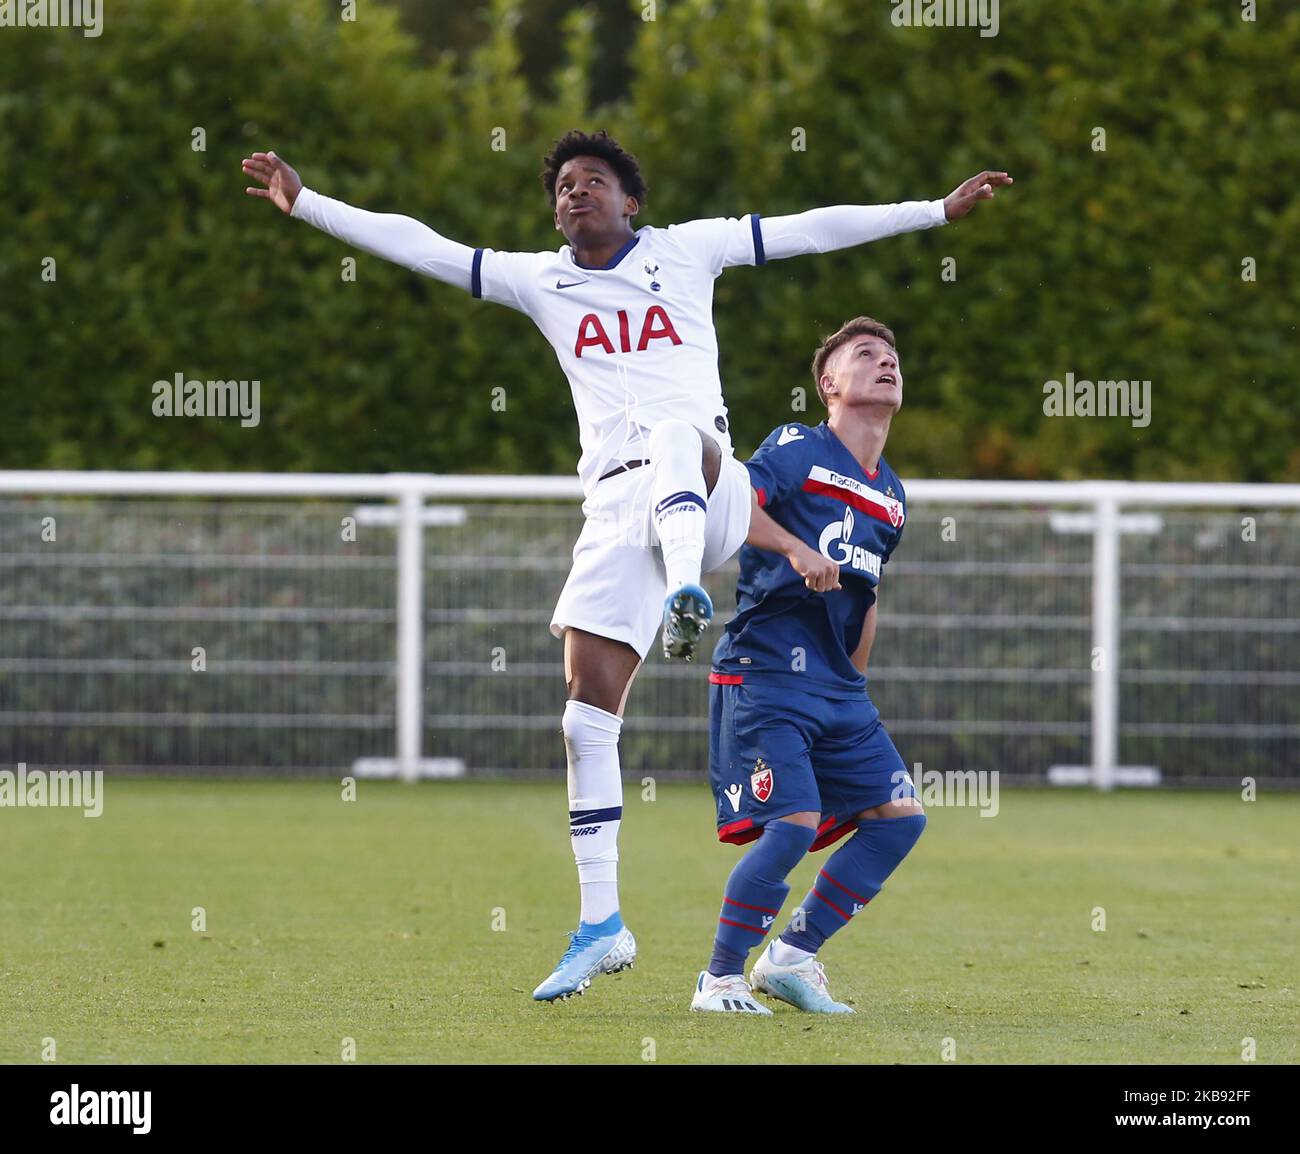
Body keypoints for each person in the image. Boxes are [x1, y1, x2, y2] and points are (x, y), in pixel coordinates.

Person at [242, 133, 1009, 1001]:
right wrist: (308, 203)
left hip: (714, 492)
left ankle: (687, 591)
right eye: (564, 186)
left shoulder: (688, 251)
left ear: (630, 202)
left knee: (677, 432)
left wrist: (932, 211)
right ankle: (603, 921)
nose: (575, 195)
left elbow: (811, 228)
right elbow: (426, 246)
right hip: (616, 511)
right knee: (583, 719)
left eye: (593, 182)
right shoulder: (543, 281)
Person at [692, 316, 924, 1014]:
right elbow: (730, 506)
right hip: (766, 673)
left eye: (891, 356)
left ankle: (790, 958)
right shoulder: (796, 445)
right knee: (793, 823)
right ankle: (720, 979)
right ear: (829, 384)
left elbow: (867, 595)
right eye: (865, 355)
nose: (885, 363)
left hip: (837, 689)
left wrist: (855, 680)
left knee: (899, 818)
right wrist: (795, 548)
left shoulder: (893, 493)